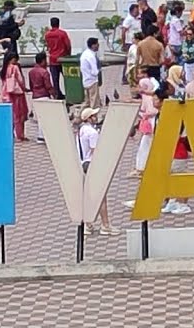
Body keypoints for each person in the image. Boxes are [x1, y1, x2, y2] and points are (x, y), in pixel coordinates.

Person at [78, 107, 119, 235]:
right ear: (89, 118)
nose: (96, 117)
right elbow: (96, 151)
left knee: (89, 195)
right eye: (94, 115)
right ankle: (105, 225)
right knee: (101, 195)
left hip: (83, 163)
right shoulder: (93, 133)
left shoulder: (82, 130)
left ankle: (88, 223)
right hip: (93, 164)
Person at [0, 53, 29, 141]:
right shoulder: (14, 68)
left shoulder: (3, 69)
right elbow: (20, 80)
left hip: (6, 94)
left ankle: (10, 134)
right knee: (19, 115)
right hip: (16, 93)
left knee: (10, 116)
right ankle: (20, 135)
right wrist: (24, 88)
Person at [28, 51, 53, 143]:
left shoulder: (31, 72)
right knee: (45, 117)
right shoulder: (44, 72)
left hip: (35, 96)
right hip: (44, 95)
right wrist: (54, 94)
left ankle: (40, 135)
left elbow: (31, 85)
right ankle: (43, 136)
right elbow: (48, 86)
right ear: (43, 61)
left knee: (39, 117)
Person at [44, 17, 72, 97]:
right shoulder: (62, 33)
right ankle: (70, 94)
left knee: (55, 80)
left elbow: (48, 45)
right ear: (58, 23)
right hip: (63, 59)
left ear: (51, 24)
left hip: (52, 59)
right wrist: (68, 55)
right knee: (67, 78)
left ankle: (57, 95)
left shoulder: (47, 34)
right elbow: (68, 45)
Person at [80, 37, 103, 110]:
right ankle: (93, 118)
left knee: (87, 102)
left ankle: (79, 117)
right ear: (93, 45)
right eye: (97, 44)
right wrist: (99, 71)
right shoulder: (91, 56)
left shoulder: (85, 54)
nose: (98, 45)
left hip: (85, 80)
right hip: (92, 81)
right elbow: (94, 71)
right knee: (94, 103)